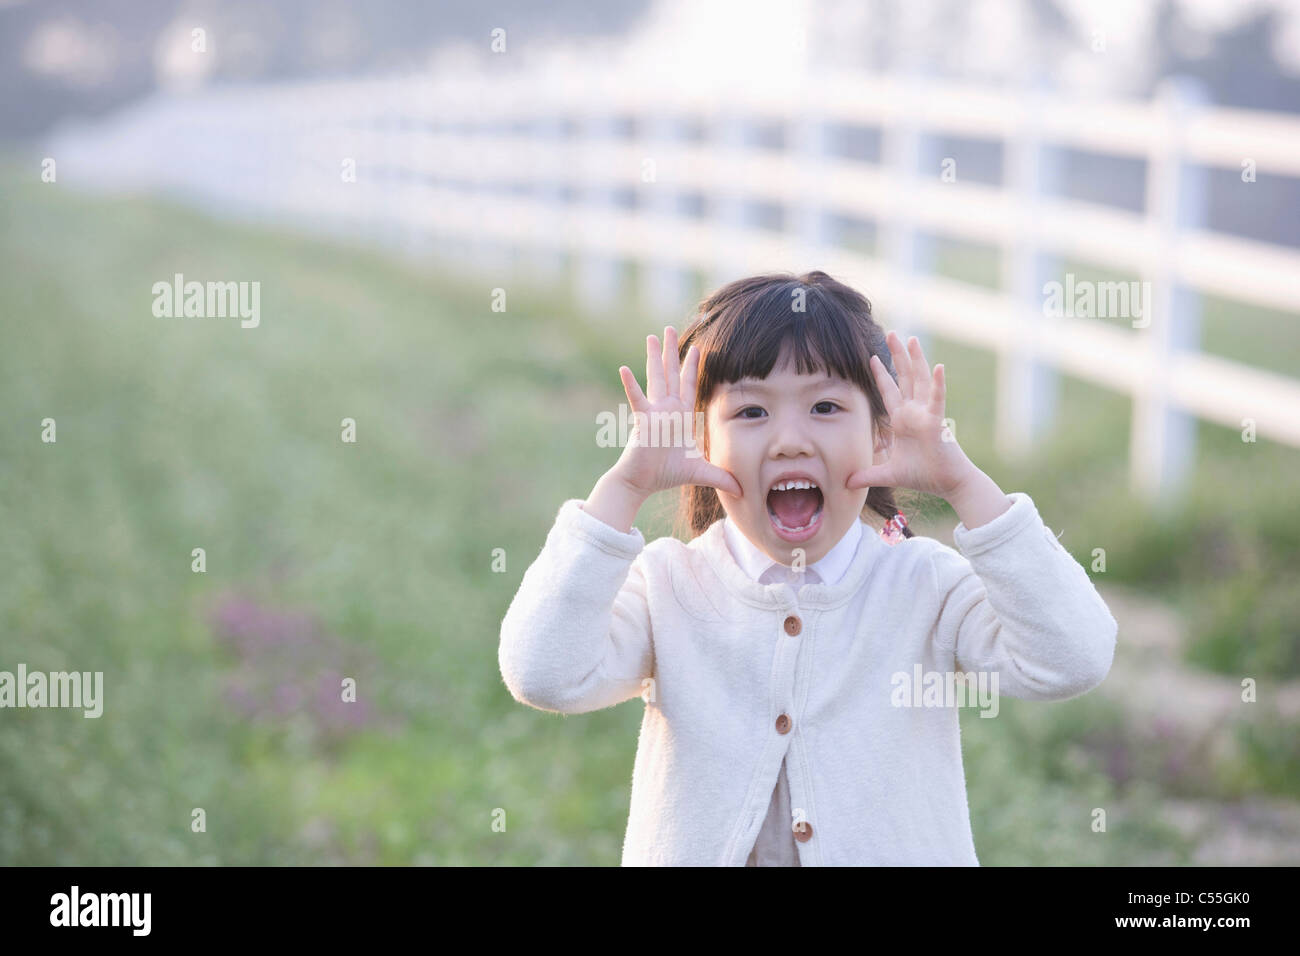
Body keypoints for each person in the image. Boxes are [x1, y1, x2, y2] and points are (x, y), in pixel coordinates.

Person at [498, 270, 1118, 866]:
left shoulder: (923, 584)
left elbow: (1071, 656)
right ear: (701, 444)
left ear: (881, 436)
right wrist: (625, 485)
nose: (790, 440)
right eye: (751, 412)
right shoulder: (668, 586)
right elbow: (544, 673)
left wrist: (964, 483)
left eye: (824, 407)